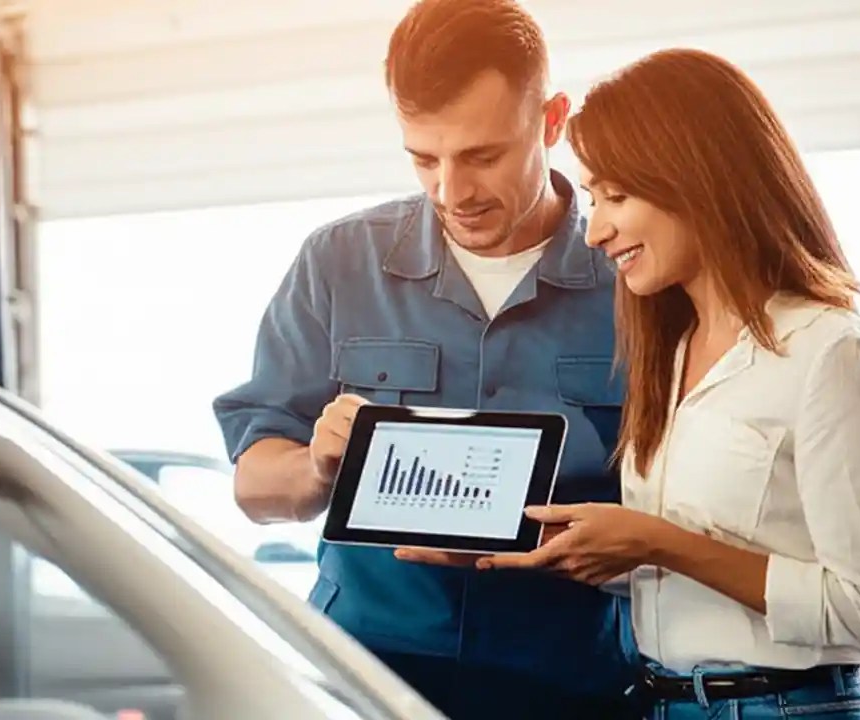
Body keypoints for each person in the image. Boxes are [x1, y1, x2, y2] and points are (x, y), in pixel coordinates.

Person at [211, 1, 640, 717]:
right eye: (423, 158)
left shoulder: (632, 280)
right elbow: (254, 489)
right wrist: (316, 466)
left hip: (569, 684)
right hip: (362, 679)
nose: (452, 191)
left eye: (482, 155)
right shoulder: (337, 262)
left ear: (553, 121)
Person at [467, 48, 860, 719]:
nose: (596, 231)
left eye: (617, 195)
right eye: (593, 198)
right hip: (663, 702)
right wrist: (585, 550)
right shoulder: (671, 353)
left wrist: (658, 541)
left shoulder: (830, 354)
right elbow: (693, 584)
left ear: (699, 177)